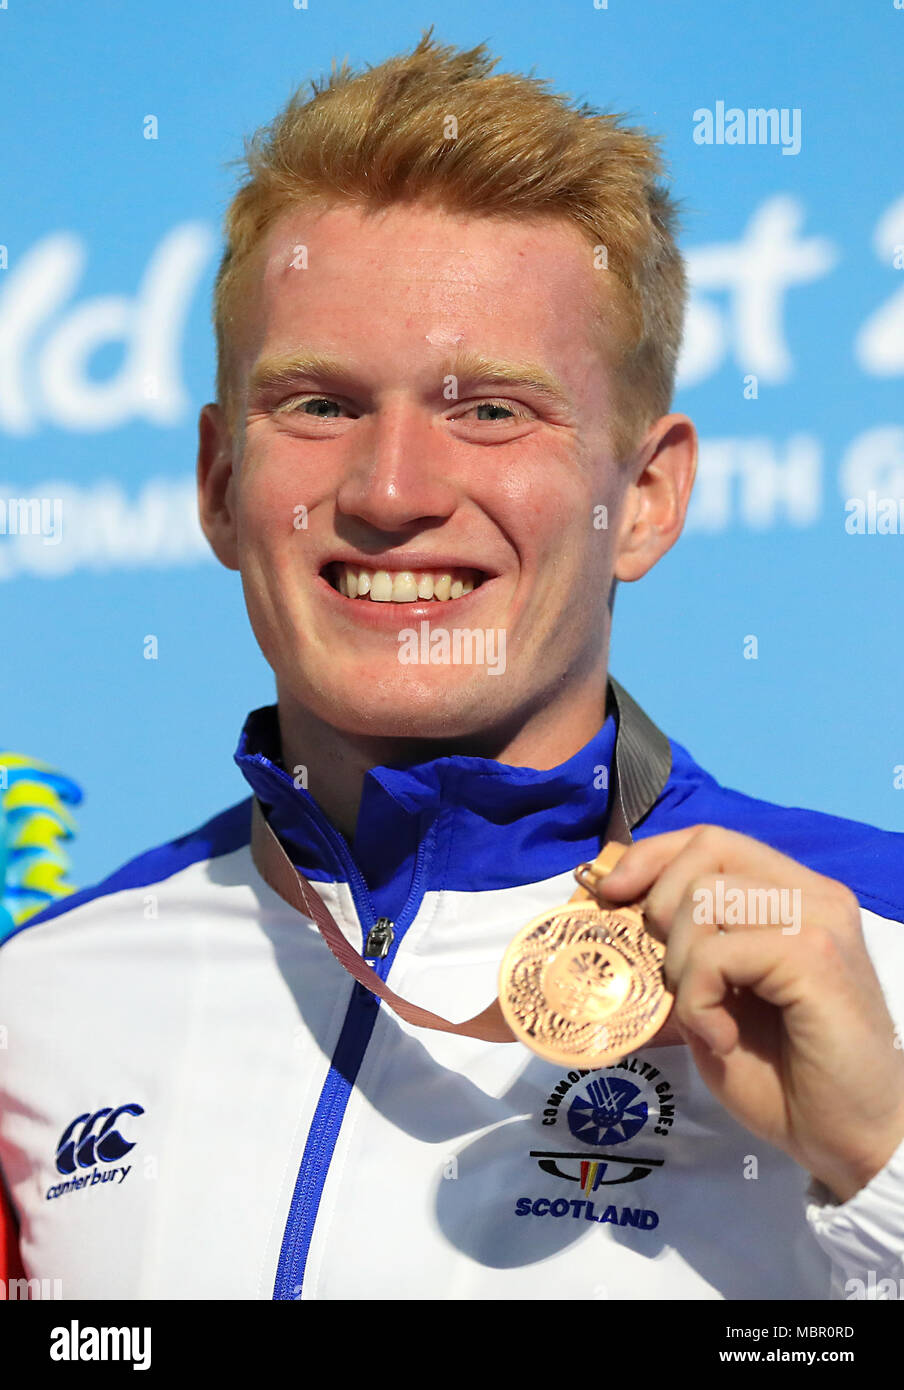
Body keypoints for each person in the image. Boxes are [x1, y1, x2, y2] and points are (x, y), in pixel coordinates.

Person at [1, 30, 903, 1302]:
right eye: (319, 404)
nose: (389, 491)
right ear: (218, 483)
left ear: (643, 498)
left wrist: (887, 1159)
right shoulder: (42, 998)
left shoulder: (873, 941)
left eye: (490, 408)